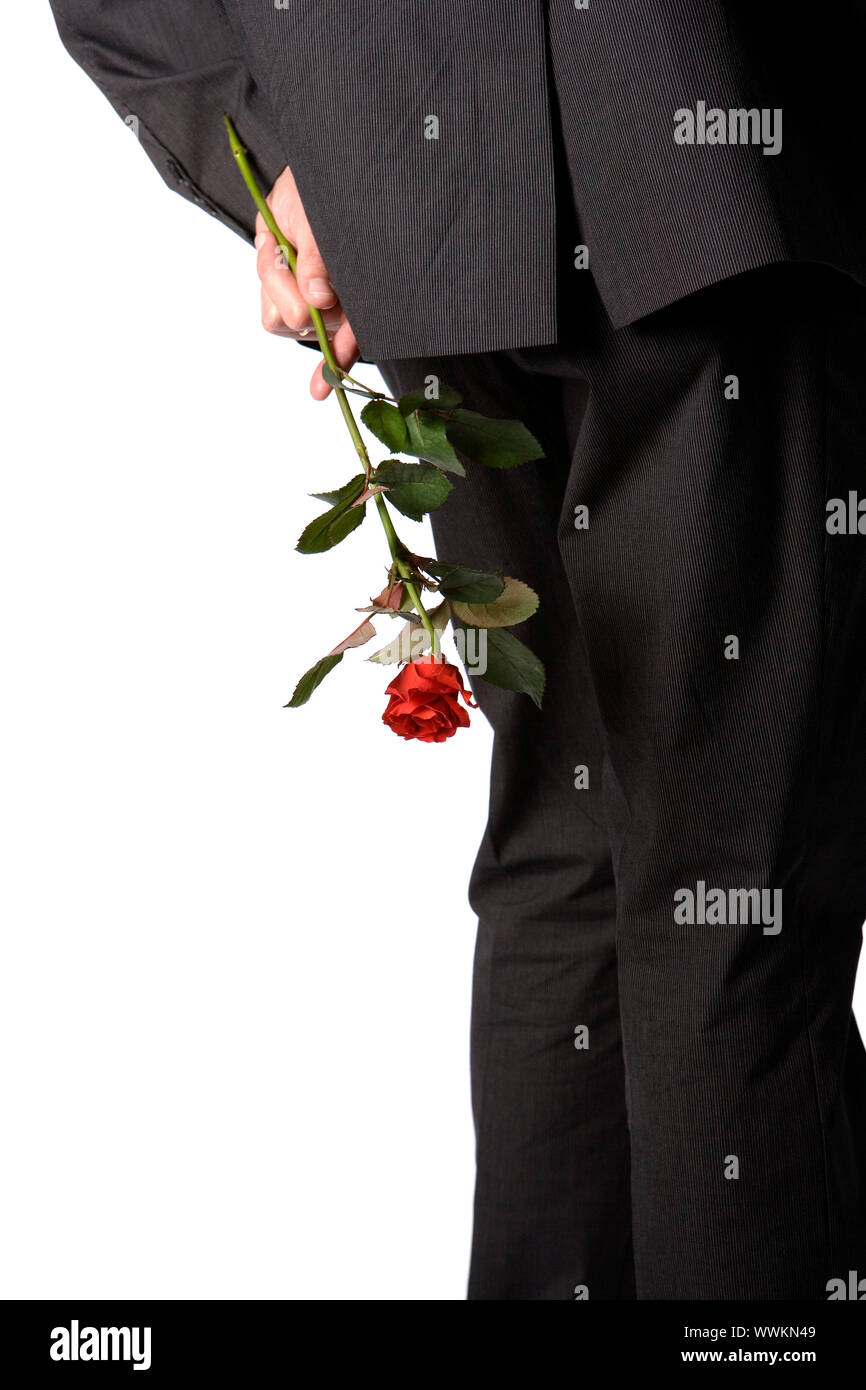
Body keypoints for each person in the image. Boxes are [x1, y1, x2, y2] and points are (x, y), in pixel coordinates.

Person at [49, 0, 866, 1300]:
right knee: (725, 884)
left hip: (413, 219)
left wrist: (273, 145)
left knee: (571, 840)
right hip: (683, 158)